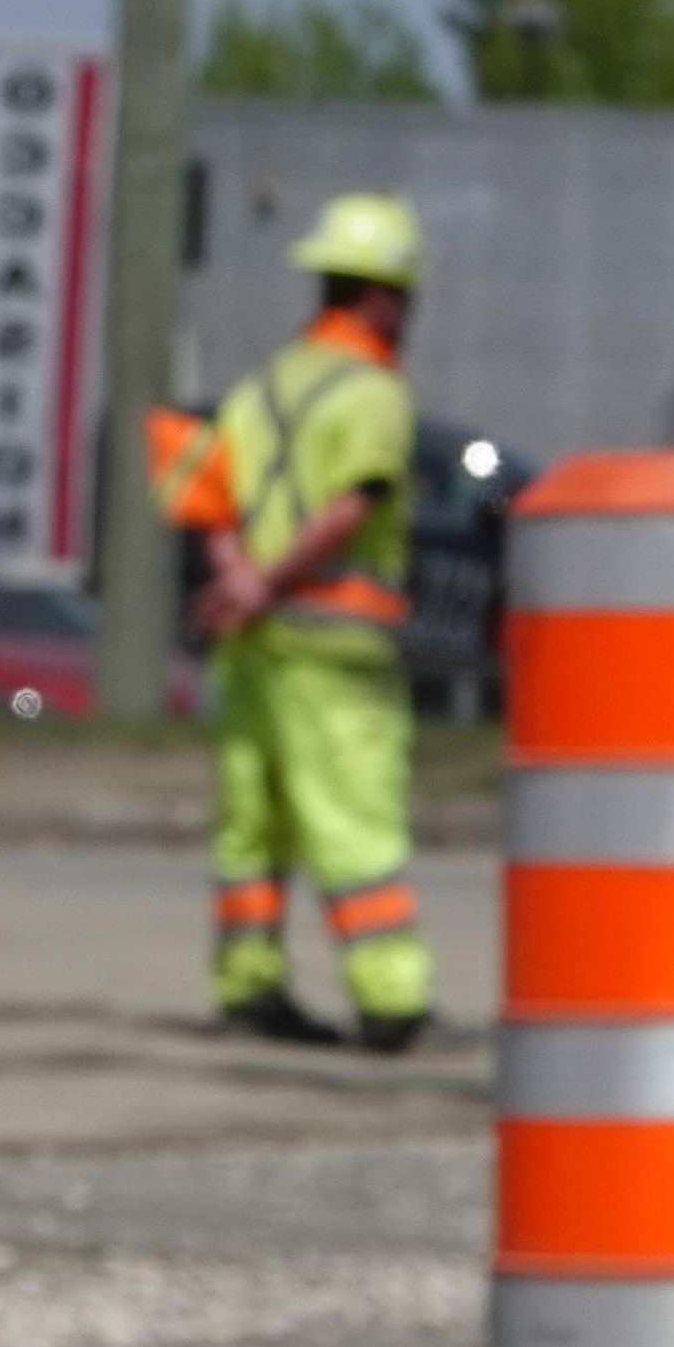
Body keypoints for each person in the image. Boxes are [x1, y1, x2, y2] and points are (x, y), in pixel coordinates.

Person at [170, 191, 436, 1051]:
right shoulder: (374, 392)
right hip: (332, 646)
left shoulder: (266, 385)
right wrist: (271, 583)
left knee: (253, 821)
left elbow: (203, 493)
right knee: (354, 817)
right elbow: (350, 508)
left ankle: (248, 988)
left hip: (250, 646)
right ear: (386, 294)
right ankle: (389, 999)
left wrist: (239, 581)